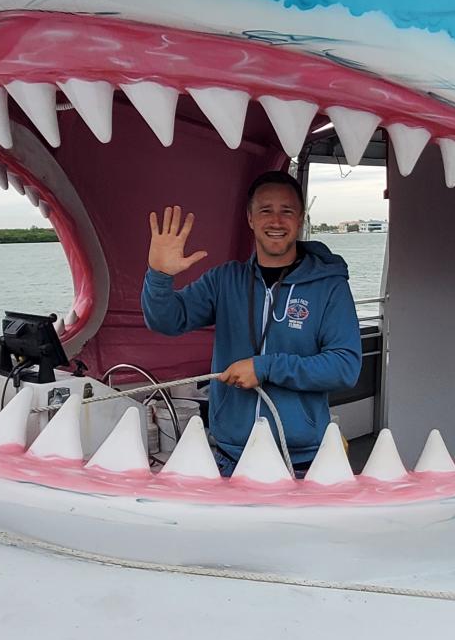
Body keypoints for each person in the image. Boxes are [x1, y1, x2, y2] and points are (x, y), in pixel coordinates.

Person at [142, 171, 362, 474]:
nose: (276, 221)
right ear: (250, 218)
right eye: (265, 210)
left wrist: (265, 367)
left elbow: (345, 367)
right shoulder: (224, 280)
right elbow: (165, 321)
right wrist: (159, 275)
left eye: (287, 211)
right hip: (230, 458)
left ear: (300, 219)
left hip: (302, 463)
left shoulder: (330, 286)